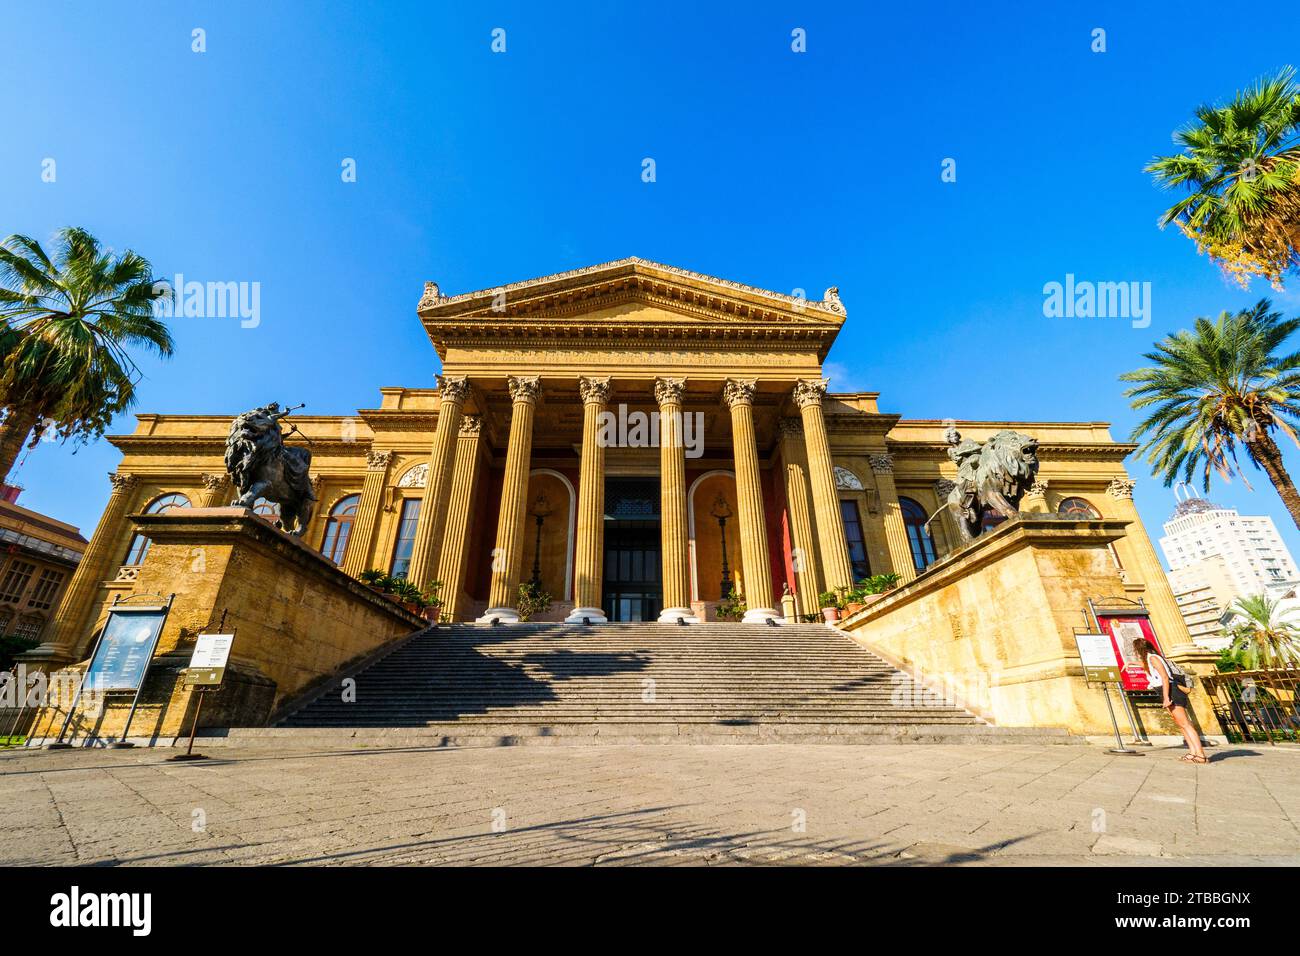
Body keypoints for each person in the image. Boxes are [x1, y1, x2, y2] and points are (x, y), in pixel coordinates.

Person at [1134, 638, 1208, 763]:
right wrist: (1131, 663)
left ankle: (1200, 755)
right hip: (1166, 691)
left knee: (1185, 724)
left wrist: (1167, 697)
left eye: (1135, 650)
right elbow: (1146, 666)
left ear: (1140, 649)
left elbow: (1164, 677)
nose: (1135, 652)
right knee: (1181, 724)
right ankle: (1192, 752)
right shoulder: (1150, 659)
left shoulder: (1153, 658)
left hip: (1171, 691)